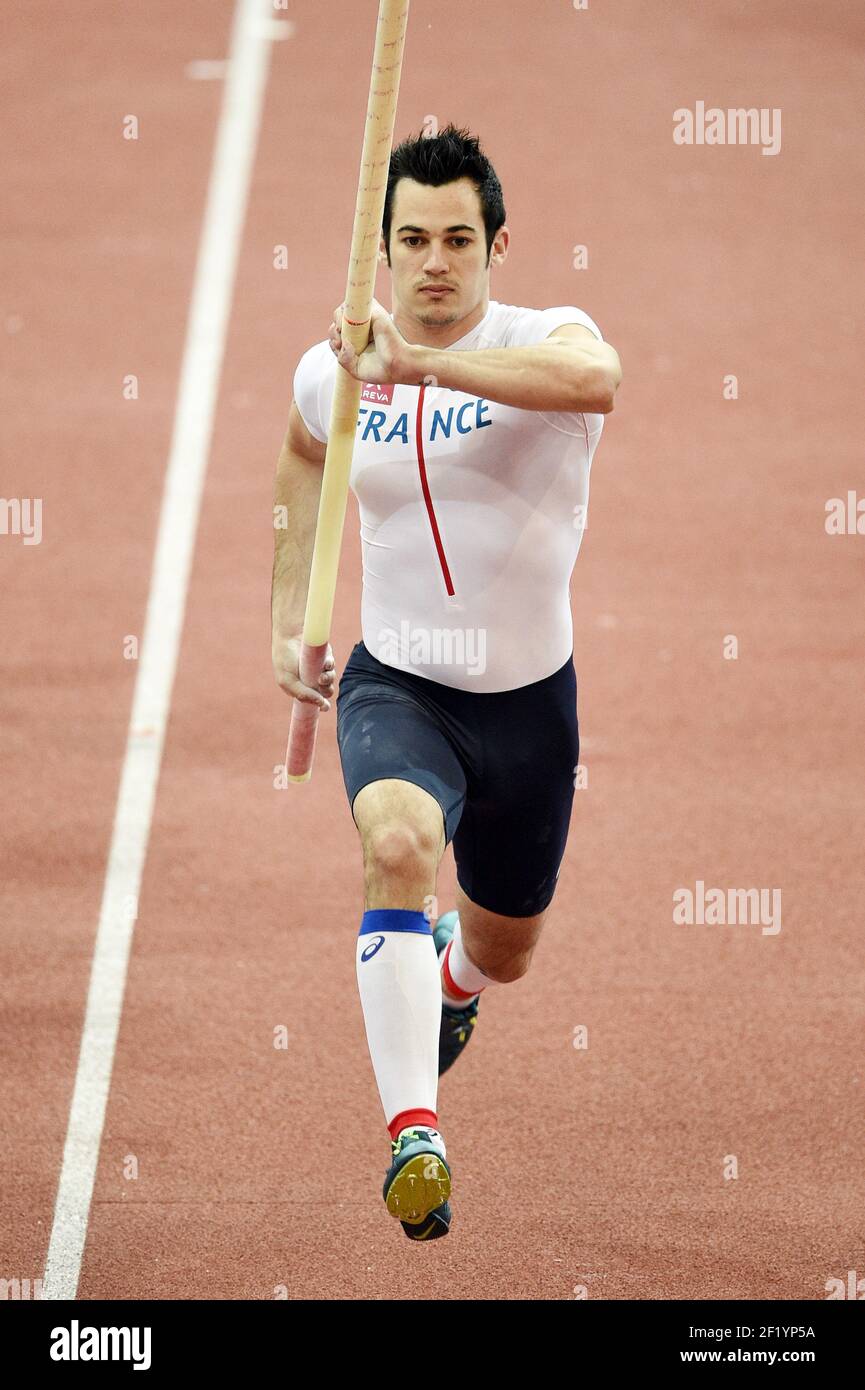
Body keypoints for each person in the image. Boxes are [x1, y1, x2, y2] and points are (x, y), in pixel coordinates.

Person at [271, 124, 621, 1241]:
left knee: (507, 948)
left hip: (528, 707)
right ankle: (413, 1134)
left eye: (457, 239)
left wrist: (420, 364)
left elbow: (597, 380)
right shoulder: (334, 368)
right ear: (381, 249)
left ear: (496, 244)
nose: (434, 261)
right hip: (399, 689)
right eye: (411, 238)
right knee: (396, 846)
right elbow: (302, 449)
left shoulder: (543, 339)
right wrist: (294, 614)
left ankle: (456, 983)